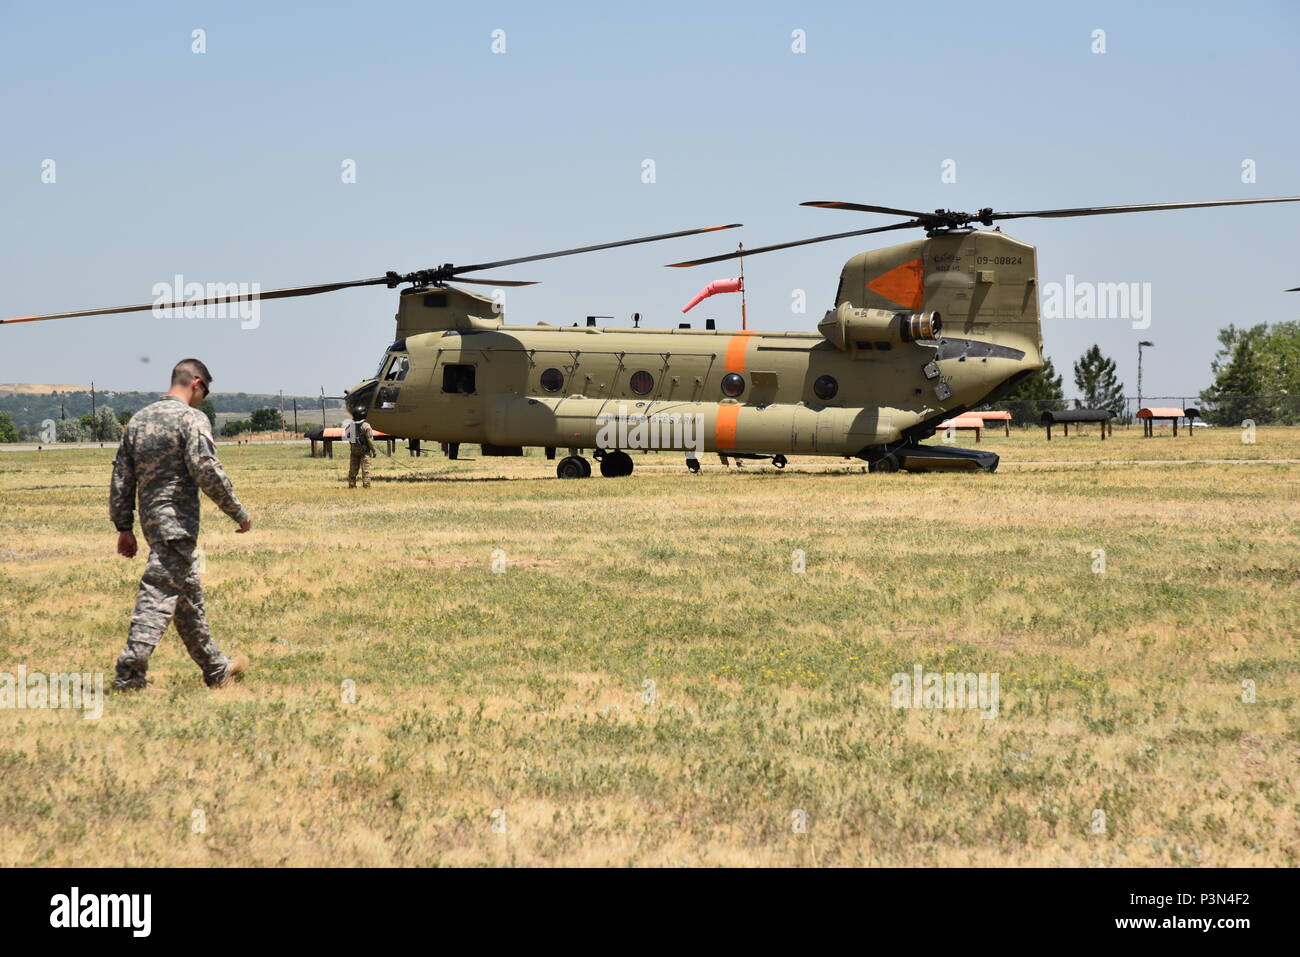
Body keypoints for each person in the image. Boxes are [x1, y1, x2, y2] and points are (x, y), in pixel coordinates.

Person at [109, 358, 251, 691]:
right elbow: (206, 469)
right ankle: (129, 674)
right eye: (206, 390)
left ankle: (217, 669)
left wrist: (124, 527)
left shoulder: (138, 421)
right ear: (197, 383)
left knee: (187, 601)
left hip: (153, 524)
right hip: (177, 524)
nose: (205, 397)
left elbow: (121, 478)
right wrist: (238, 511)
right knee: (157, 597)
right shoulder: (190, 418)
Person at [344, 412, 377, 488]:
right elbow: (370, 440)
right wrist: (374, 451)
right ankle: (366, 485)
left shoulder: (351, 426)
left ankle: (352, 485)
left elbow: (347, 435)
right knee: (366, 469)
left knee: (353, 469)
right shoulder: (366, 426)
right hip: (364, 451)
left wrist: (352, 444)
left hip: (354, 451)